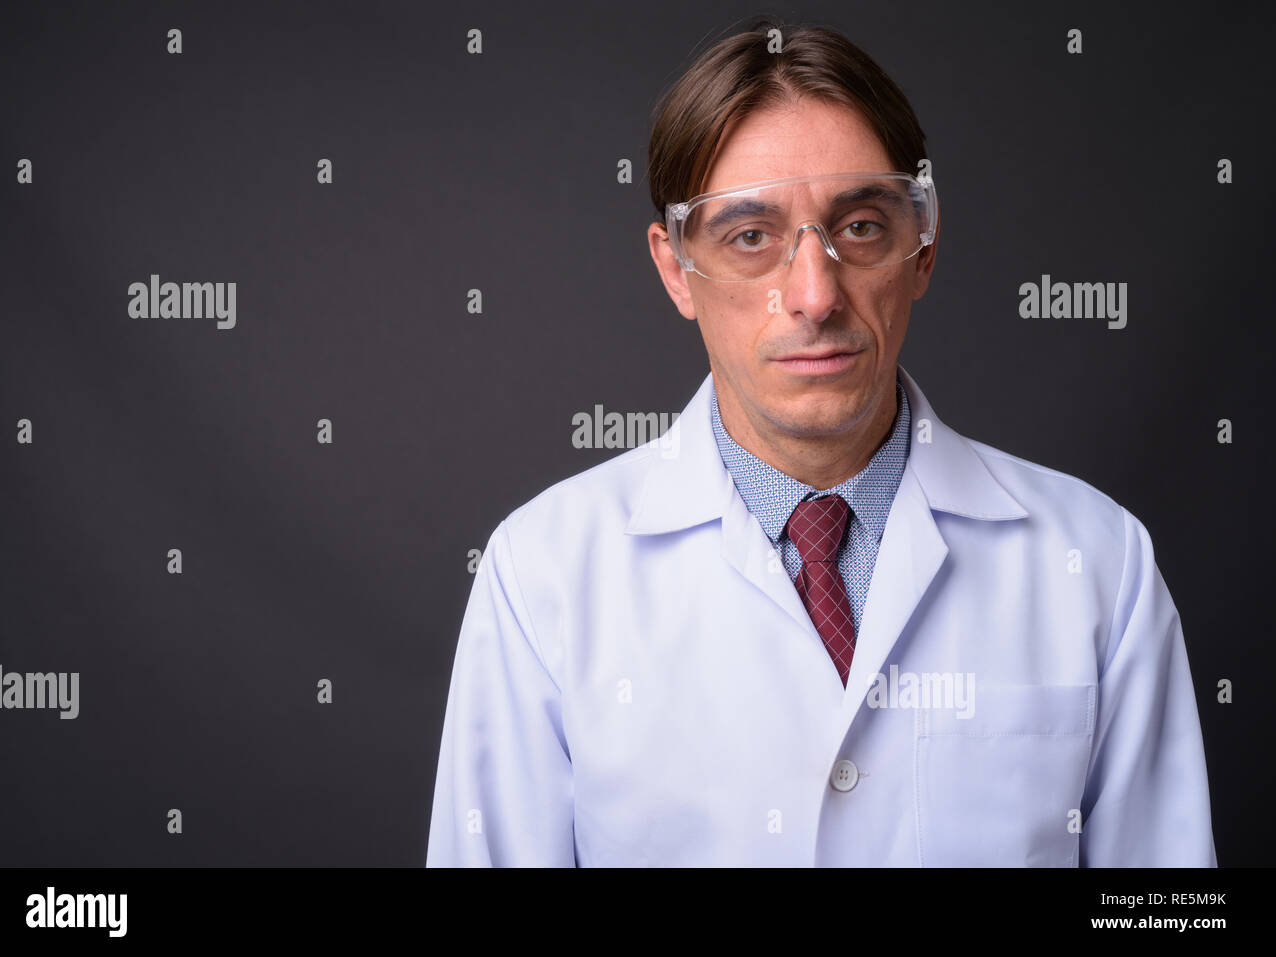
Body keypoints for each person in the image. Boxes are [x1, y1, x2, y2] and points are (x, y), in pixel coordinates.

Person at [425, 19, 1216, 867]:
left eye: (862, 226)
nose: (813, 293)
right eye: (750, 236)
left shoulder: (1097, 561)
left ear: (923, 247)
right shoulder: (542, 575)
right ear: (674, 268)